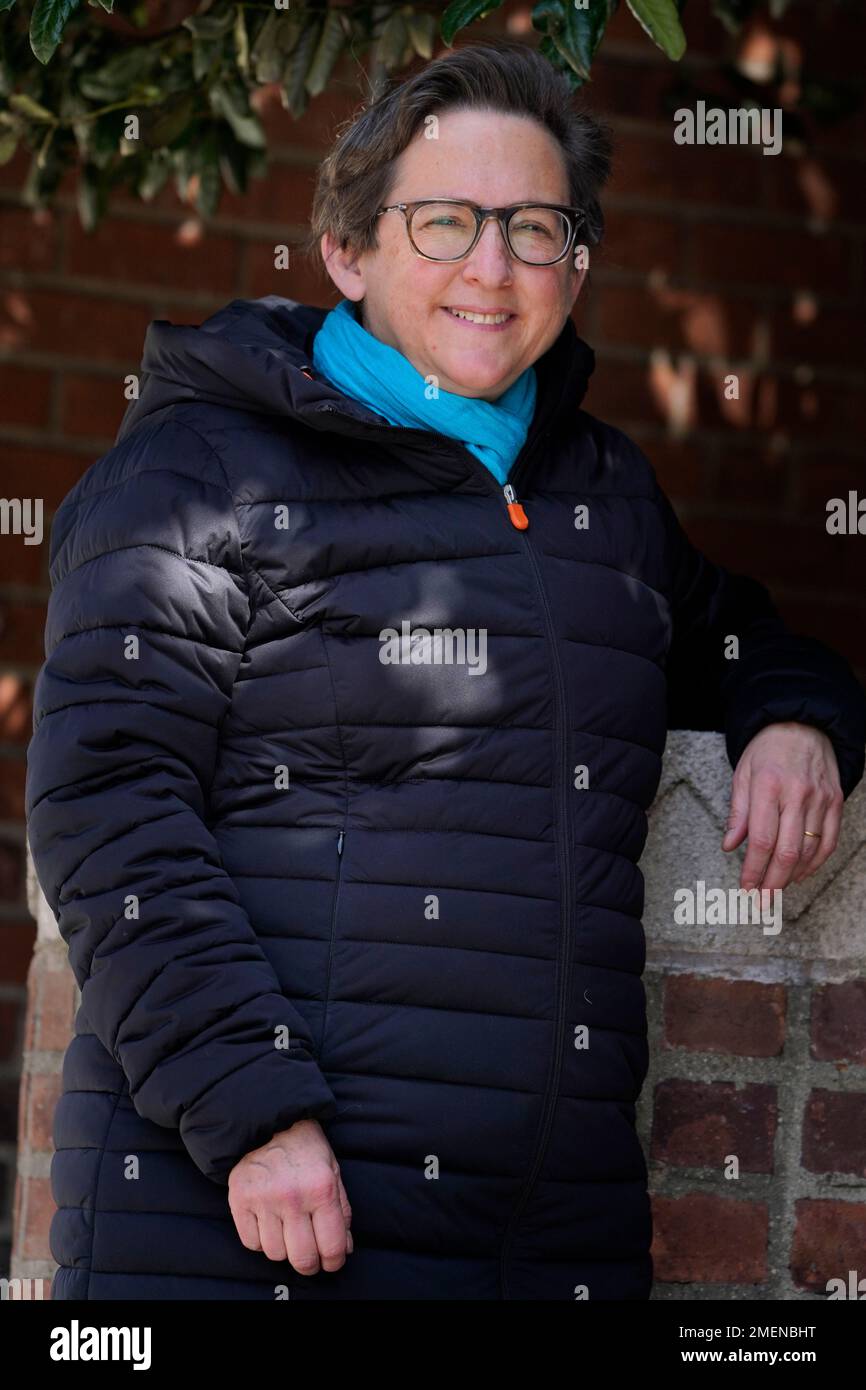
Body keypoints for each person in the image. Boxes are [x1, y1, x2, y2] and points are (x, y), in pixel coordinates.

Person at [25, 38, 865, 1302]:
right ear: (348, 250)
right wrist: (249, 1110)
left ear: (573, 265)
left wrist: (794, 713)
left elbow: (737, 633)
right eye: (444, 222)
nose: (491, 266)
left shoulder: (604, 497)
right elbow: (105, 803)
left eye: (534, 228)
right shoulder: (201, 473)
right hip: (253, 1218)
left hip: (542, 1238)